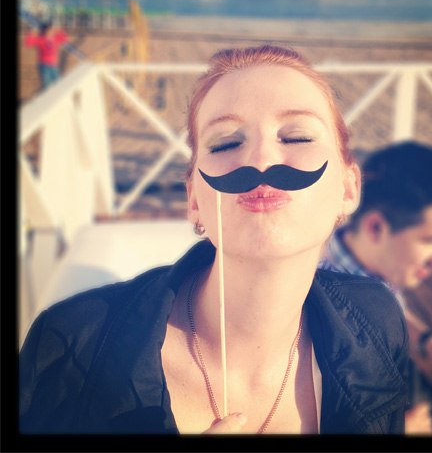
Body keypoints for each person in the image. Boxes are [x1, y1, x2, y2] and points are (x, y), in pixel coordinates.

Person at [19, 45, 409, 434]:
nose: (261, 159)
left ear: (349, 188)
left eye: (298, 136)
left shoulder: (378, 321)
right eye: (225, 143)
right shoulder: (69, 347)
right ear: (194, 202)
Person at [319, 141, 432, 434]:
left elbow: (388, 299)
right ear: (375, 227)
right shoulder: (316, 312)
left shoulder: (366, 264)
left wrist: (428, 342)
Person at [23, 20, 69, 90]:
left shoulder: (56, 38)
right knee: (48, 85)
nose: (50, 32)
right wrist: (31, 32)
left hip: (53, 65)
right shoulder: (41, 39)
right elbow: (28, 43)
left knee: (58, 83)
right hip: (44, 66)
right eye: (48, 30)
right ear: (44, 31)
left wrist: (60, 30)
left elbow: (65, 39)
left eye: (51, 30)